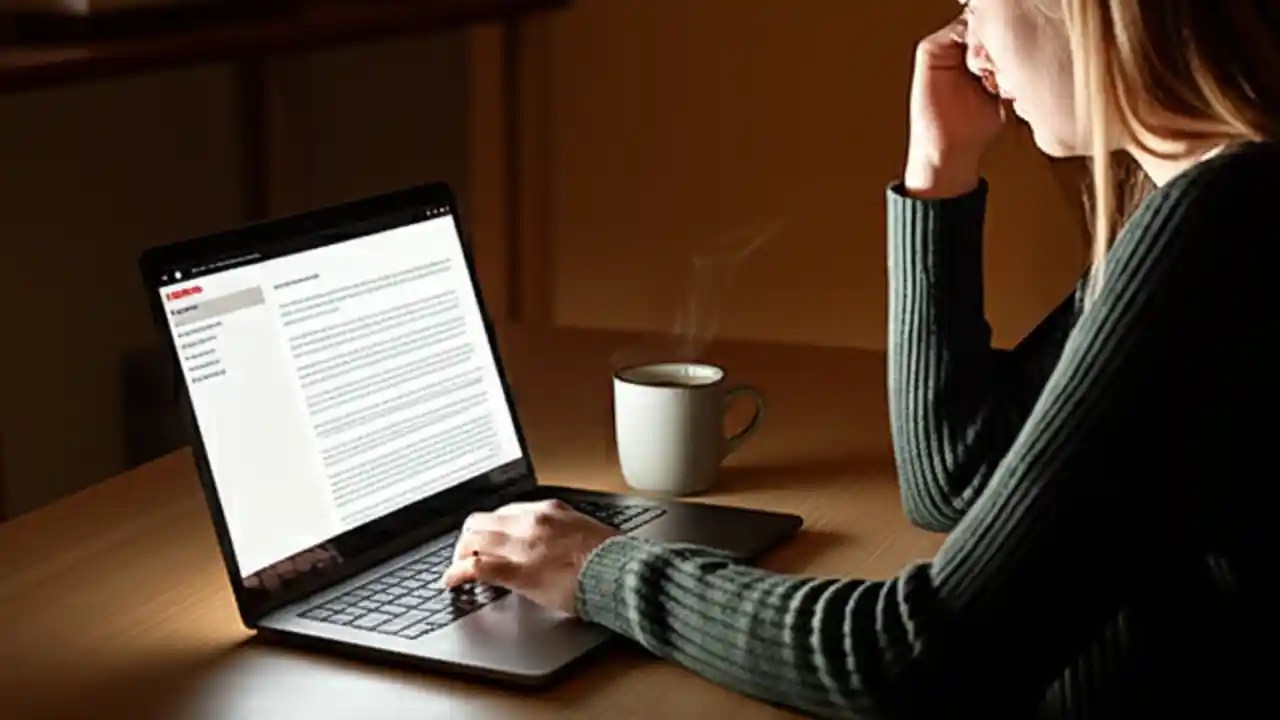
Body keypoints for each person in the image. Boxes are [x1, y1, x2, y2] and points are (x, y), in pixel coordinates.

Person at [442, 1, 1279, 716]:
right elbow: (959, 478)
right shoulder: (1213, 197)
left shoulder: (1222, 228)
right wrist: (938, 171)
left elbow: (915, 658)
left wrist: (597, 569)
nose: (968, 40)